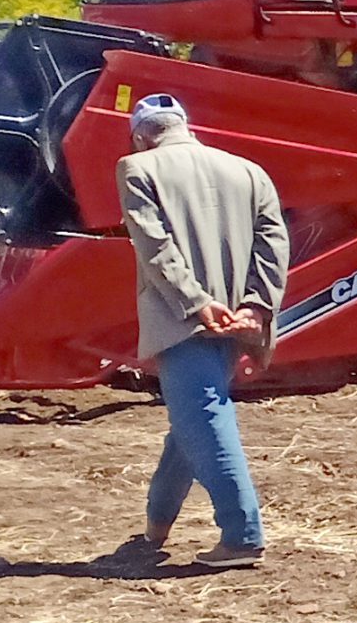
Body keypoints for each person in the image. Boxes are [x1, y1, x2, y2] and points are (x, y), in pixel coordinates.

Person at [115, 92, 289, 570]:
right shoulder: (249, 172)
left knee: (204, 418)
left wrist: (196, 303)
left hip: (184, 320)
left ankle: (242, 535)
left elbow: (156, 247)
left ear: (140, 136)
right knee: (189, 422)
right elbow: (274, 245)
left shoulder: (137, 169)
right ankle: (156, 525)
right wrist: (256, 306)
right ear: (185, 126)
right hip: (238, 321)